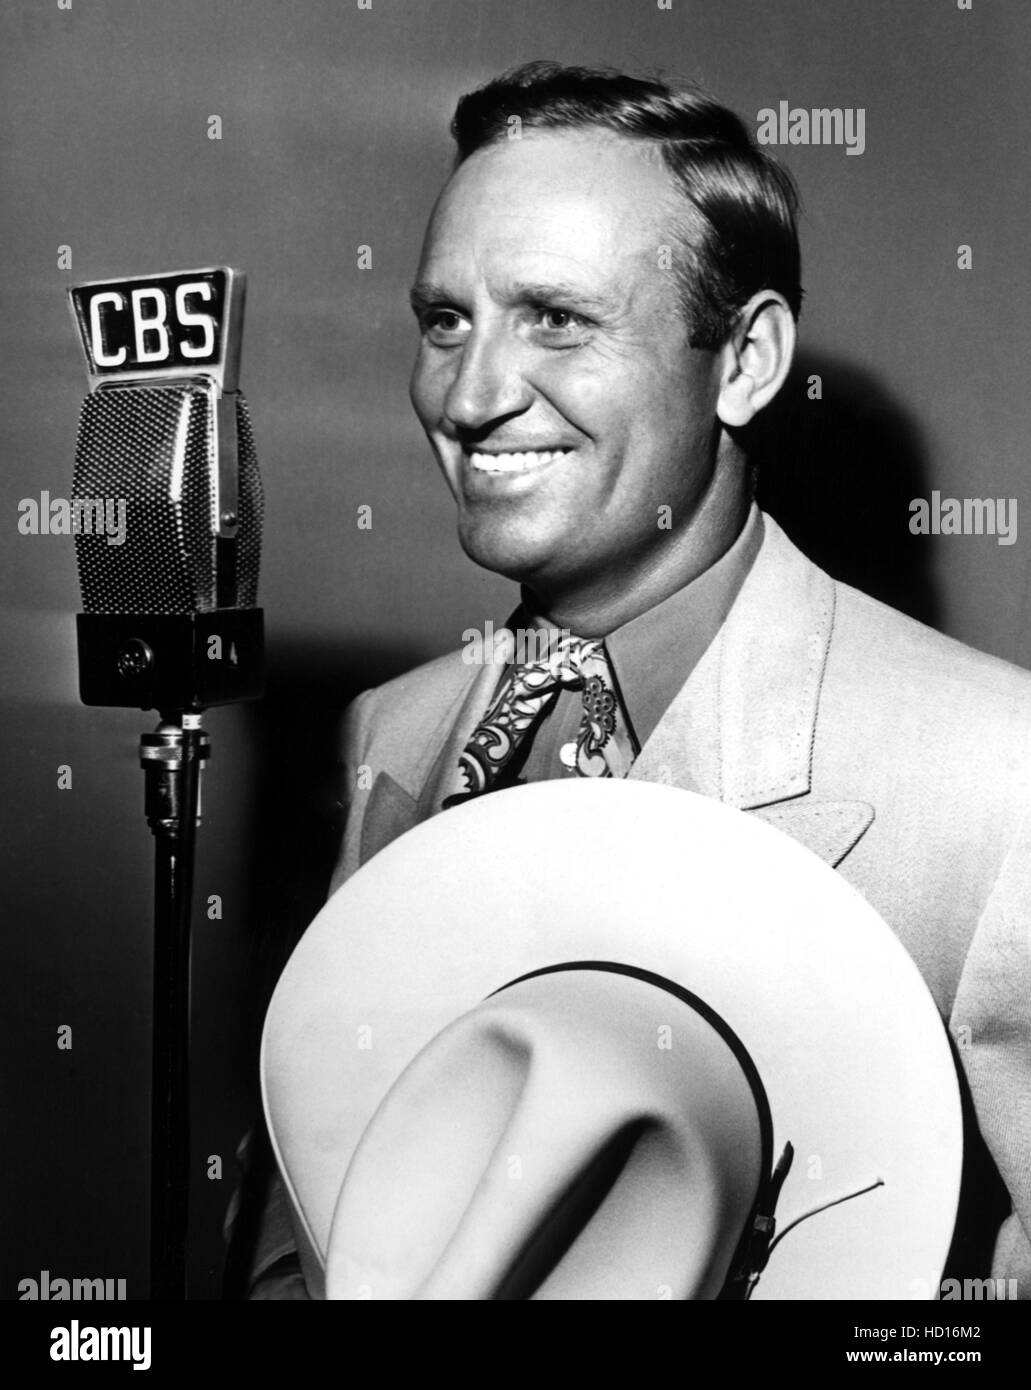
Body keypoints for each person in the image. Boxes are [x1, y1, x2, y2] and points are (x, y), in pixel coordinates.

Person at [246, 61, 1031, 1299]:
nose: (470, 395)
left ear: (745, 360)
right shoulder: (388, 733)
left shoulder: (997, 773)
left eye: (556, 317)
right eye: (446, 319)